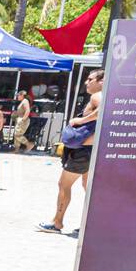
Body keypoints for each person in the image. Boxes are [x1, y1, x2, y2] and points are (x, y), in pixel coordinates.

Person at [41, 69, 104, 233]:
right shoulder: (100, 96)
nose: (86, 82)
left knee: (64, 184)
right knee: (88, 187)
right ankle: (90, 225)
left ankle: (57, 223)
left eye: (90, 79)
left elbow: (102, 109)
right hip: (90, 150)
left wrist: (80, 120)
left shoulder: (97, 96)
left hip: (83, 152)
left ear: (101, 81)